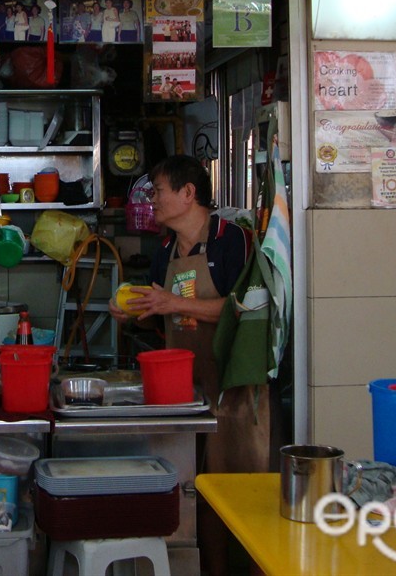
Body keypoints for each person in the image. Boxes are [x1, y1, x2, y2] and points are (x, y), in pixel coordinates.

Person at [109, 156, 267, 575]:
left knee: (241, 490)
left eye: (158, 190)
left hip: (234, 386)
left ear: (188, 193)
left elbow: (245, 309)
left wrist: (174, 302)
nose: (151, 199)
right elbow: (166, 312)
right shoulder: (164, 251)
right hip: (183, 391)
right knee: (194, 493)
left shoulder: (232, 239)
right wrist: (133, 308)